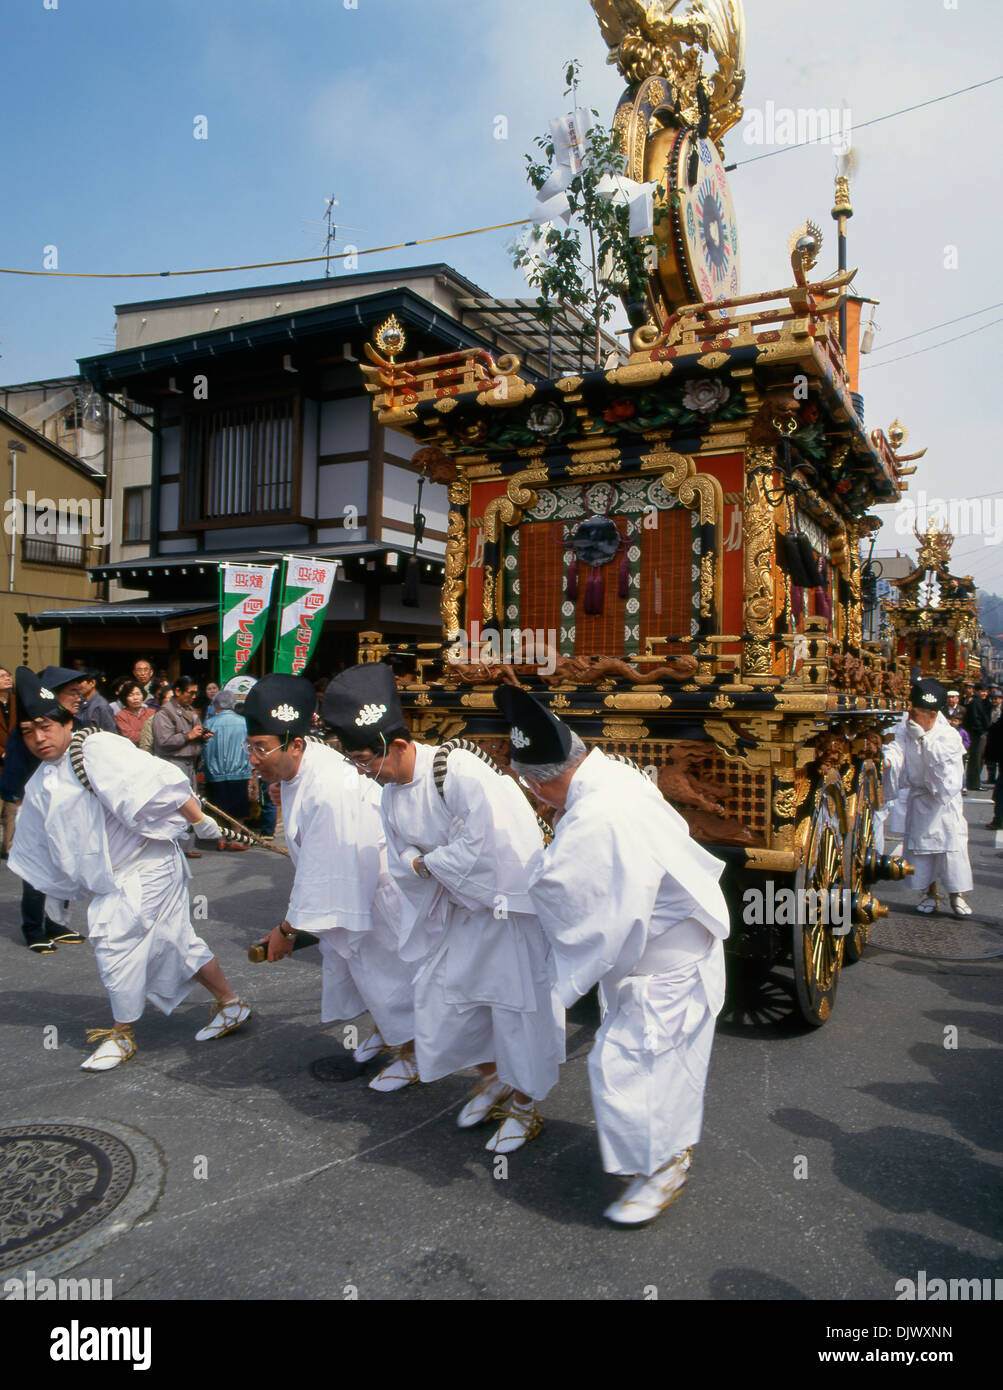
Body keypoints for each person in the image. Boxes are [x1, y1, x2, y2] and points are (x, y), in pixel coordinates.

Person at [495, 686, 729, 1225]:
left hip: (663, 967)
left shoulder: (596, 818)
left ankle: (663, 1167)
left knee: (630, 1066)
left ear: (538, 781)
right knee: (661, 1065)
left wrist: (530, 885)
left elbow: (573, 900)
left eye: (533, 790)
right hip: (670, 952)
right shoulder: (612, 777)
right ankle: (665, 1154)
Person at [323, 663, 564, 1152]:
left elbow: (486, 846)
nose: (365, 772)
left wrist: (426, 863)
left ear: (394, 745)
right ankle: (493, 1077)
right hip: (458, 913)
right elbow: (400, 857)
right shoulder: (390, 795)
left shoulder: (454, 769)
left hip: (505, 912)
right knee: (449, 1004)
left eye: (366, 760)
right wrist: (427, 864)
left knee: (515, 1013)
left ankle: (524, 1107)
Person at [7, 668, 252, 1071]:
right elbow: (43, 843)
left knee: (113, 938)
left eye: (45, 727)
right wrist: (59, 891)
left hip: (148, 863)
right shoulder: (44, 778)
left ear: (67, 721)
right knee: (176, 941)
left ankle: (122, 1034)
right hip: (116, 874)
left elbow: (163, 779)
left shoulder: (95, 748)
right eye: (28, 732)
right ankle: (231, 1003)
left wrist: (200, 820)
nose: (38, 738)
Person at [247, 675, 415, 1066]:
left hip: (372, 890)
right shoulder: (301, 766)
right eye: (251, 747)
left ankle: (413, 1054)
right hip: (352, 888)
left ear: (297, 744)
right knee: (365, 973)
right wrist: (281, 787)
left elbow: (327, 871)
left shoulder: (329, 788)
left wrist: (288, 930)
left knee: (390, 975)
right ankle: (387, 1033)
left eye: (261, 748)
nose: (253, 758)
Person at [0, 666, 88, 952]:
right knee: (36, 871)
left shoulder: (72, 724)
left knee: (64, 866)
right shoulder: (28, 730)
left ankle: (55, 922)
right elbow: (13, 776)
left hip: (67, 809)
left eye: (80, 692)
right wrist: (18, 800)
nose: (78, 697)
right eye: (72, 693)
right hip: (35, 810)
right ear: (50, 695)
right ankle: (33, 928)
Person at [902, 679, 973, 918]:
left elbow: (947, 775)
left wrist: (924, 740)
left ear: (931, 714)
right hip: (921, 800)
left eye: (916, 713)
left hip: (944, 803)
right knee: (923, 851)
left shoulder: (949, 736)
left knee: (951, 848)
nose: (911, 717)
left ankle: (957, 894)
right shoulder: (907, 730)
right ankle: (930, 893)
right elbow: (896, 752)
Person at [152, 675, 212, 858]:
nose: (193, 696)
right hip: (173, 763)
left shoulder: (191, 711)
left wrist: (202, 737)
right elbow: (163, 741)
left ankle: (187, 847)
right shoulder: (164, 713)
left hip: (190, 764)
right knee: (174, 806)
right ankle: (172, 846)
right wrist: (189, 736)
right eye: (190, 693)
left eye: (196, 693)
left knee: (191, 804)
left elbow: (194, 735)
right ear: (177, 691)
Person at [202, 690, 252, 832]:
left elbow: (204, 747)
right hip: (240, 772)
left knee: (218, 809)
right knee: (238, 809)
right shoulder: (244, 722)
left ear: (216, 704)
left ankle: (221, 838)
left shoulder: (209, 723)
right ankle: (237, 837)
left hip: (214, 772)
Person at [0, 665, 16, 857]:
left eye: (8, 675)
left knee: (12, 806)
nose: (7, 678)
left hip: (14, 761)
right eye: (2, 676)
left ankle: (9, 847)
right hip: (3, 756)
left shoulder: (17, 702)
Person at [962, 683, 990, 791]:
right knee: (976, 759)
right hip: (977, 735)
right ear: (976, 691)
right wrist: (980, 731)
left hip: (979, 733)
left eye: (986, 691)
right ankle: (974, 784)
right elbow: (975, 718)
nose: (984, 693)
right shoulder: (975, 703)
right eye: (982, 691)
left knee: (978, 759)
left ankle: (974, 782)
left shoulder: (980, 702)